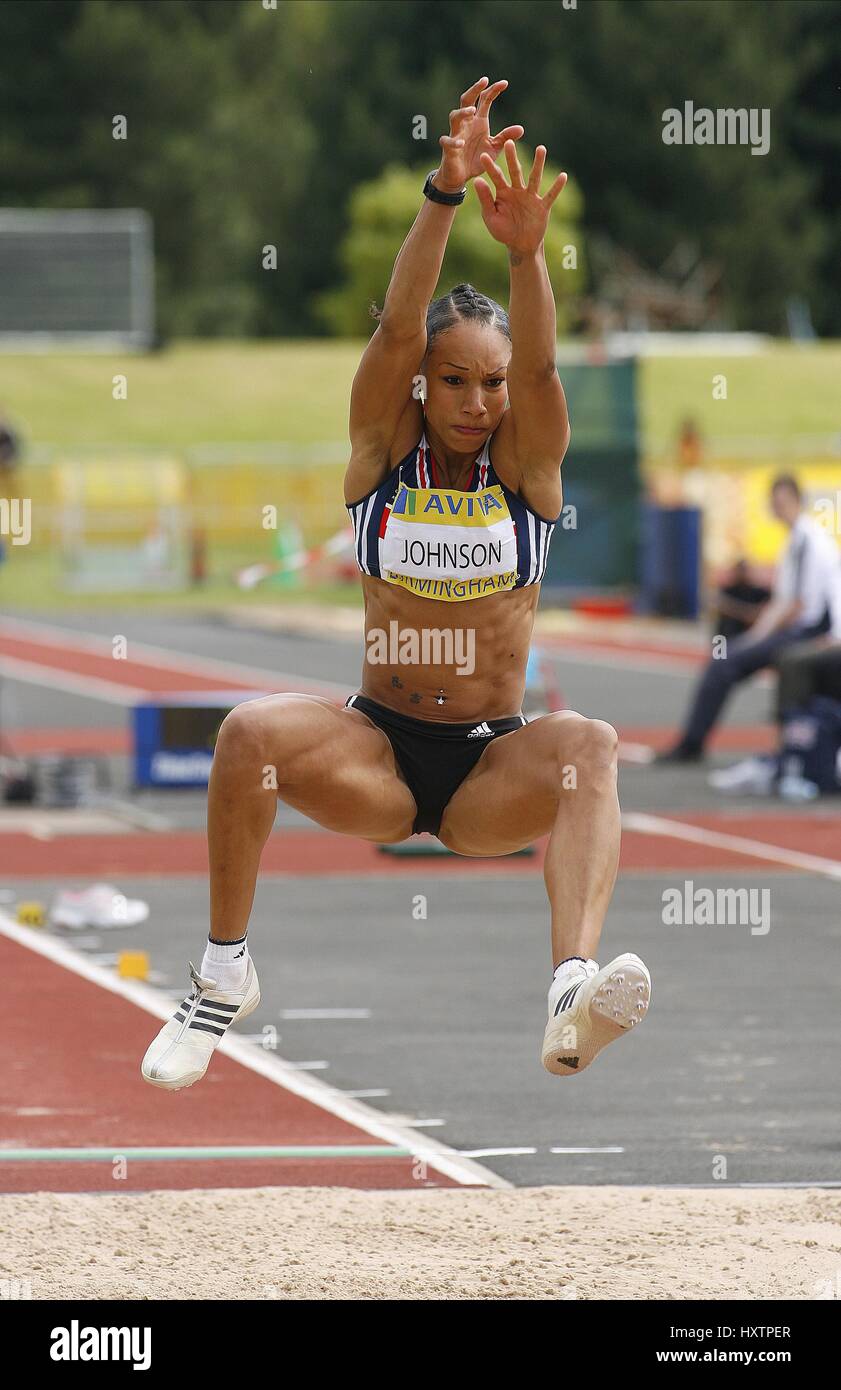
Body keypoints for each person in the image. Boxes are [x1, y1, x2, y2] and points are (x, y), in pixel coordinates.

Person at [141, 76, 650, 1093]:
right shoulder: (382, 459)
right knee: (246, 734)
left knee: (589, 745)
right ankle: (221, 973)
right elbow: (391, 332)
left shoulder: (527, 477)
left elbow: (549, 378)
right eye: (454, 380)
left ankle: (570, 988)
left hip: (487, 768)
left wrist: (523, 255)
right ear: (425, 384)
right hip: (376, 747)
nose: (475, 401)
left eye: (490, 384)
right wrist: (442, 194)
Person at [657, 475, 837, 763]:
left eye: (783, 502)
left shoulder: (809, 542)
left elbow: (799, 607)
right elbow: (785, 602)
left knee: (724, 664)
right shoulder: (797, 542)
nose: (779, 509)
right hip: (800, 628)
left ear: (797, 501)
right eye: (775, 503)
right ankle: (694, 742)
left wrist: (758, 636)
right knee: (726, 659)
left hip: (807, 631)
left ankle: (692, 743)